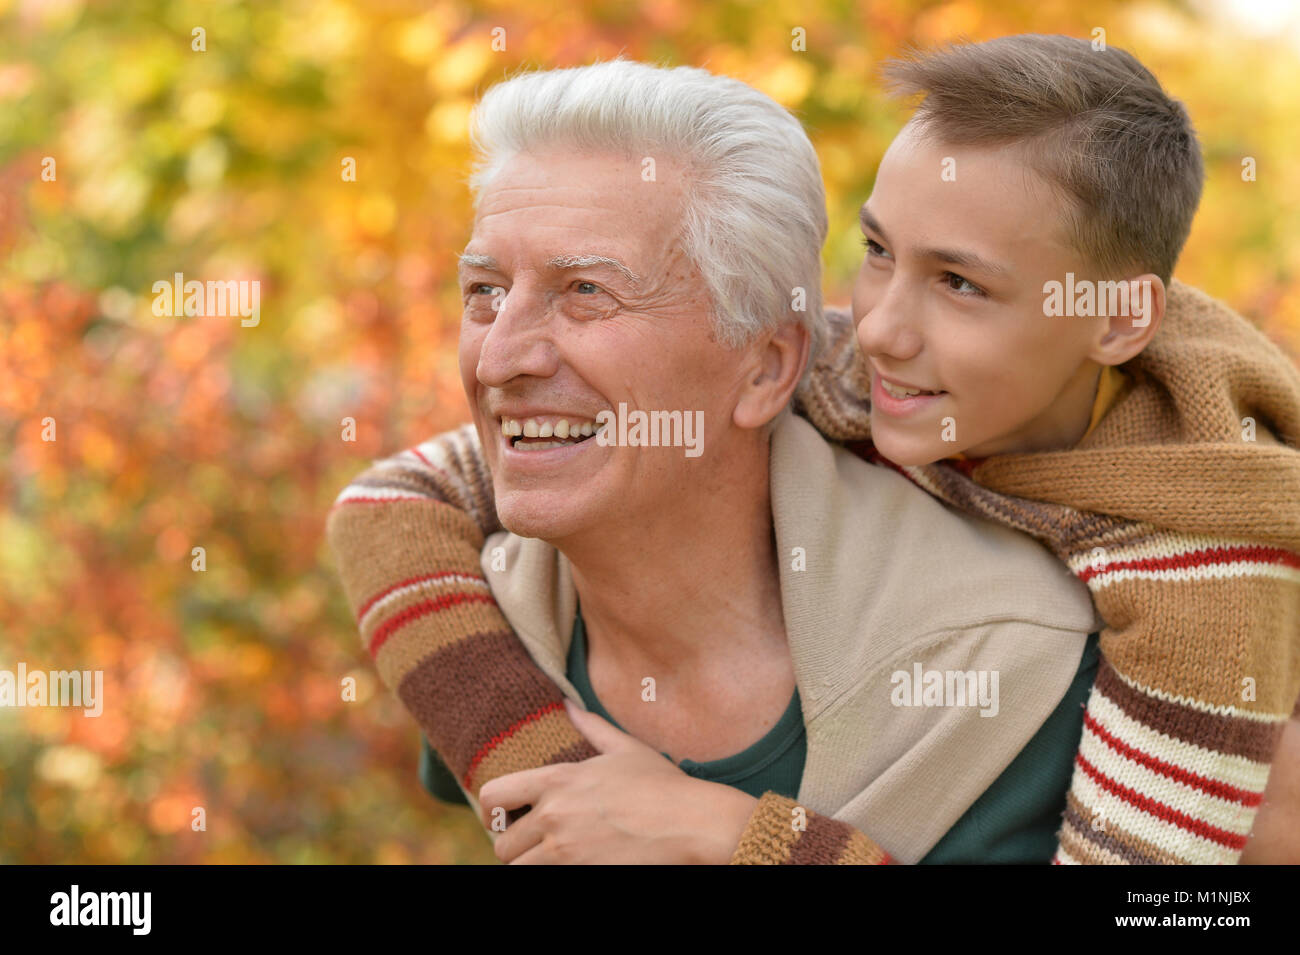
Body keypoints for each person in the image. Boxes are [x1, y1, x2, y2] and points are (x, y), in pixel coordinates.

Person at [329, 39, 1300, 864]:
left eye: (588, 291)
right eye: (878, 252)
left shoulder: (1192, 590)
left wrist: (735, 836)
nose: (879, 328)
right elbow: (389, 504)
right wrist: (541, 770)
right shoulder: (838, 373)